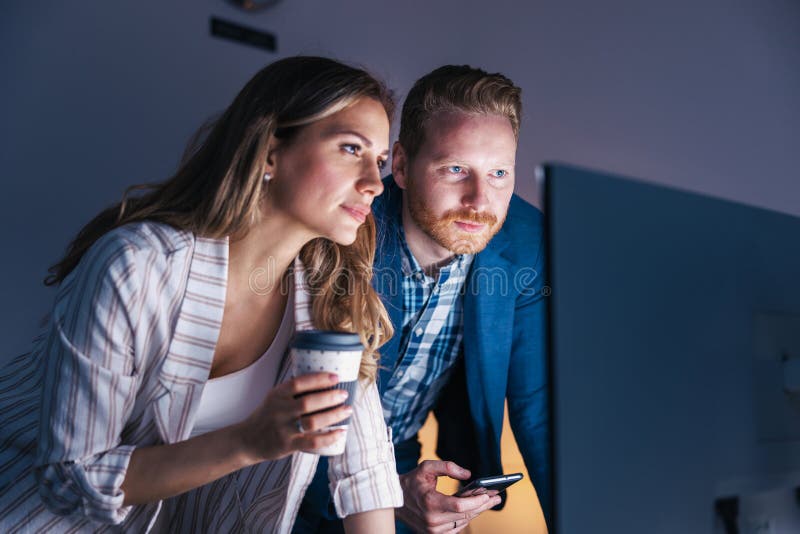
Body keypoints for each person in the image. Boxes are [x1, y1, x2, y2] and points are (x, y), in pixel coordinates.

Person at [0, 56, 403, 533]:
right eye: (350, 148)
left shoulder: (331, 299)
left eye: (378, 161)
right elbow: (69, 479)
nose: (375, 184)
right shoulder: (136, 265)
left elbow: (367, 474)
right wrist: (249, 441)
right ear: (270, 152)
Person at [295, 65, 550, 533]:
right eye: (455, 169)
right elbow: (314, 420)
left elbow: (538, 409)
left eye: (498, 173)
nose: (480, 199)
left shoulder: (526, 239)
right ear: (401, 166)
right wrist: (389, 495)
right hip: (290, 463)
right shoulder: (347, 229)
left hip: (403, 460)